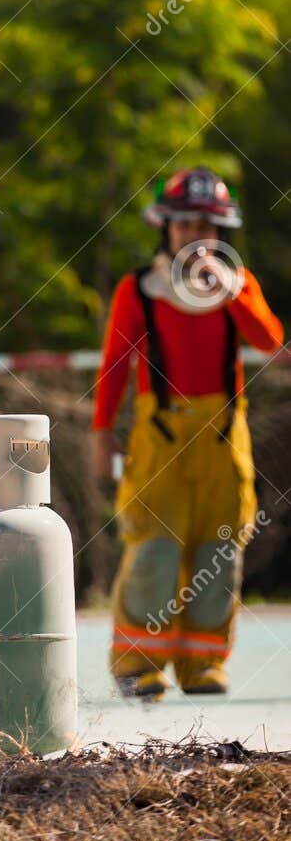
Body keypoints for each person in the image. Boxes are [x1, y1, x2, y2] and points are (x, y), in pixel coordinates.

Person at [92, 166, 283, 699]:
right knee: (153, 552)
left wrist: (232, 293)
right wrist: (101, 435)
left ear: (221, 231)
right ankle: (137, 665)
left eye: (206, 226)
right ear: (165, 229)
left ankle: (203, 666)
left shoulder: (238, 286)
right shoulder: (142, 289)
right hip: (161, 441)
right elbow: (113, 367)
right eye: (183, 225)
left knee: (218, 554)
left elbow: (270, 341)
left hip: (223, 439)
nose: (195, 236)